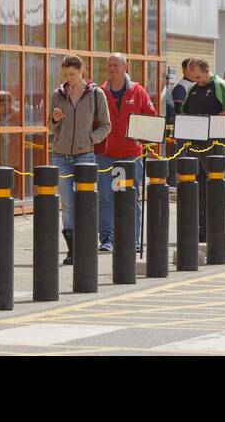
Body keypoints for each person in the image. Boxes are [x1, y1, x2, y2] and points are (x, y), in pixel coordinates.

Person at [48, 55, 111, 267]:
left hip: (85, 154)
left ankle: (85, 246)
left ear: (82, 71)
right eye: (65, 74)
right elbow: (51, 126)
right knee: (67, 203)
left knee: (85, 202)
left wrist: (90, 139)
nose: (69, 78)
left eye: (72, 74)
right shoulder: (58, 94)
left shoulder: (95, 94)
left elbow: (106, 124)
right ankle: (72, 249)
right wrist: (54, 120)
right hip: (60, 154)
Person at [97, 53, 156, 252]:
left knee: (130, 197)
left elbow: (151, 117)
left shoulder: (137, 91)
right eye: (109, 65)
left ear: (125, 67)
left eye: (115, 65)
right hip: (105, 155)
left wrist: (146, 136)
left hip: (131, 155)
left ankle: (133, 240)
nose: (111, 68)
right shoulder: (100, 91)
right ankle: (107, 239)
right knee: (106, 197)